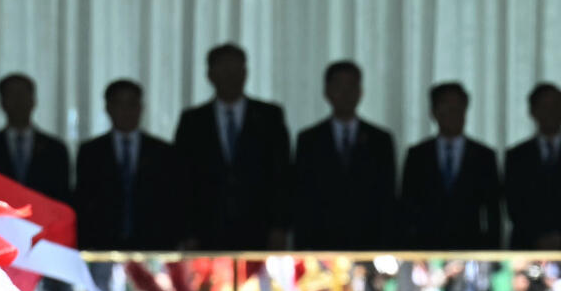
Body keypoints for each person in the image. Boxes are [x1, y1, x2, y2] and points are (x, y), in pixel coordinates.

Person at [171, 43, 293, 248]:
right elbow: (182, 179)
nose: (230, 75)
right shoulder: (193, 120)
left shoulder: (269, 116)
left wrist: (280, 226)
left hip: (260, 227)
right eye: (223, 68)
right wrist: (186, 231)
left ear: (245, 73)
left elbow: (281, 175)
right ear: (210, 75)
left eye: (236, 68)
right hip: (206, 229)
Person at [290, 60, 397, 249]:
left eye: (351, 86)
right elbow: (302, 198)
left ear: (360, 92)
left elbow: (387, 198)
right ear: (327, 92)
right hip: (321, 242)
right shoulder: (309, 139)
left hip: (369, 242)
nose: (345, 93)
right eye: (339, 86)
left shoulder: (380, 140)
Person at [74, 80, 182, 250]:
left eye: (132, 104)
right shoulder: (91, 151)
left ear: (140, 108)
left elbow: (173, 199)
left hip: (154, 242)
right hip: (103, 244)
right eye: (119, 104)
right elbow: (84, 200)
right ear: (108, 108)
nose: (126, 111)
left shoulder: (163, 151)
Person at [397, 82, 504, 250]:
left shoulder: (484, 156)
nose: (453, 113)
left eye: (457, 106)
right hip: (426, 246)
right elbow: (406, 207)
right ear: (433, 112)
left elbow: (493, 211)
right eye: (446, 106)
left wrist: (492, 251)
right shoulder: (417, 155)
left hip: (471, 246)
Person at [502, 83, 561, 251]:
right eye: (544, 106)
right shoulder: (517, 156)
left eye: (556, 105)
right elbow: (514, 204)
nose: (551, 112)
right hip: (527, 246)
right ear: (532, 111)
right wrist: (537, 237)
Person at [0, 72, 72, 205]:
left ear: (33, 101)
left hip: (44, 215)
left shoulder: (55, 149)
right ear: (1, 102)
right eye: (11, 95)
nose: (18, 101)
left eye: (22, 94)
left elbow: (62, 197)